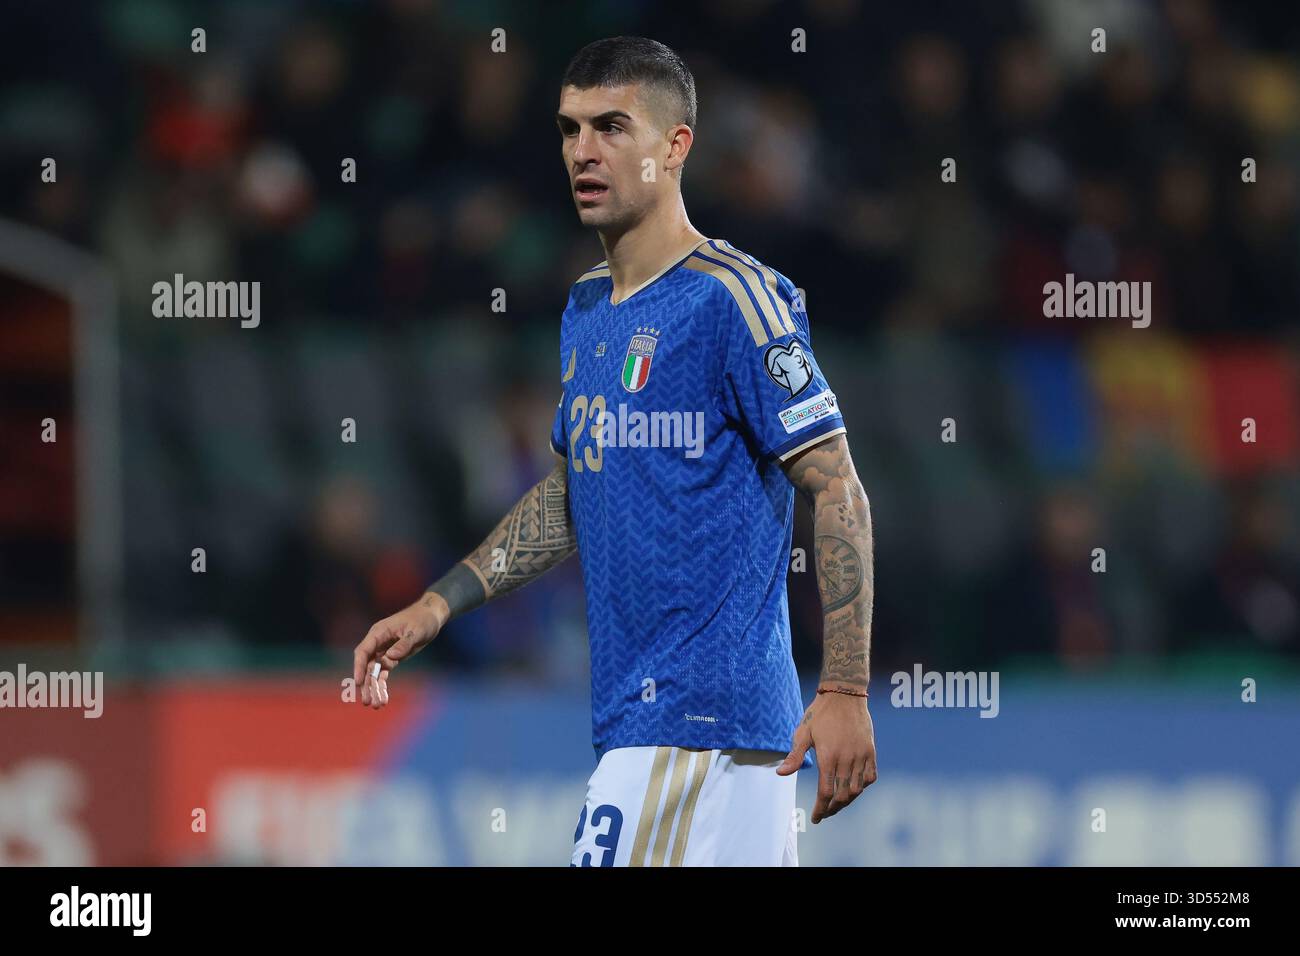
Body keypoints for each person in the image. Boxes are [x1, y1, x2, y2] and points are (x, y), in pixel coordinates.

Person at [352, 36, 877, 866]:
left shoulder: (735, 299)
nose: (582, 152)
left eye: (610, 127)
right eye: (569, 129)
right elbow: (573, 490)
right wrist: (440, 603)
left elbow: (836, 483)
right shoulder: (589, 307)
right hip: (662, 732)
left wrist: (844, 688)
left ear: (676, 147)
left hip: (698, 730)